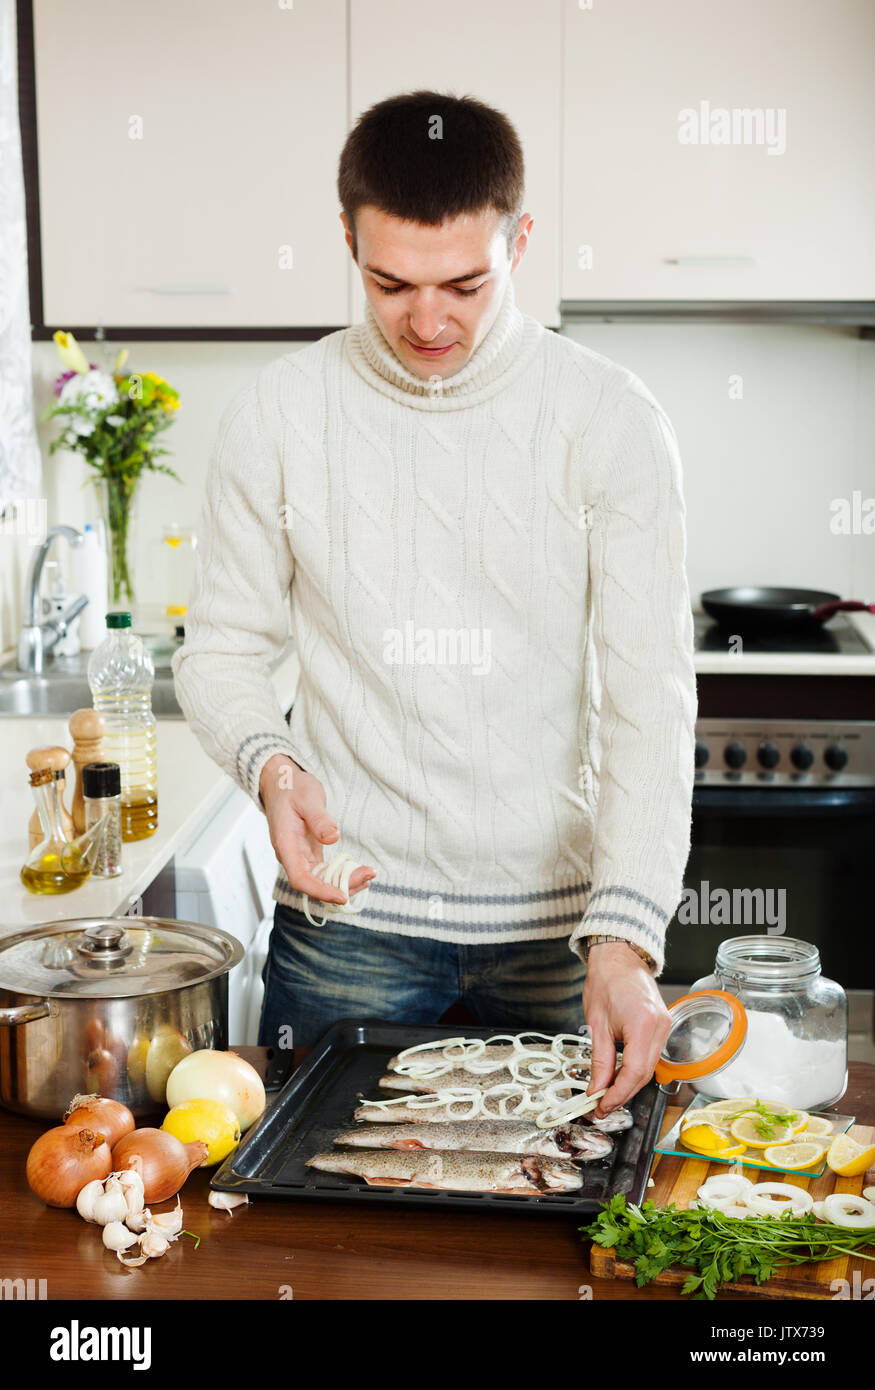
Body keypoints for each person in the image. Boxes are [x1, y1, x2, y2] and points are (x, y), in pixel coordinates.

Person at [172, 91, 697, 1117]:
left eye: (463, 281)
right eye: (388, 282)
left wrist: (626, 937)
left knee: (547, 1240)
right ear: (346, 240)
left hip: (559, 937)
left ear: (521, 238)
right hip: (347, 926)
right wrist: (269, 766)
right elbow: (220, 650)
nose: (426, 320)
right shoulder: (278, 412)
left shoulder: (609, 419)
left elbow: (649, 702)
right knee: (324, 1242)